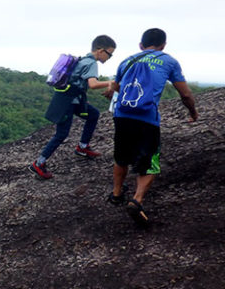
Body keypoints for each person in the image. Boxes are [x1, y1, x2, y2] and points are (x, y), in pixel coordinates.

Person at [106, 28, 198, 225]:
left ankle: (116, 194)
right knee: (149, 161)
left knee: (121, 155)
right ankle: (136, 200)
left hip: (122, 115)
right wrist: (193, 112)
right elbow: (185, 94)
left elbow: (114, 87)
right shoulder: (169, 61)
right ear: (163, 45)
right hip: (147, 118)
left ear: (141, 45)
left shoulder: (127, 60)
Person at [29, 35, 117, 179]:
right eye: (109, 54)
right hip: (67, 102)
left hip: (73, 100)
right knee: (61, 134)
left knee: (93, 114)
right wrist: (111, 83)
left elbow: (77, 83)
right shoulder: (91, 63)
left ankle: (82, 147)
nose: (109, 57)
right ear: (100, 51)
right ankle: (38, 164)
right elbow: (93, 84)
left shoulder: (83, 60)